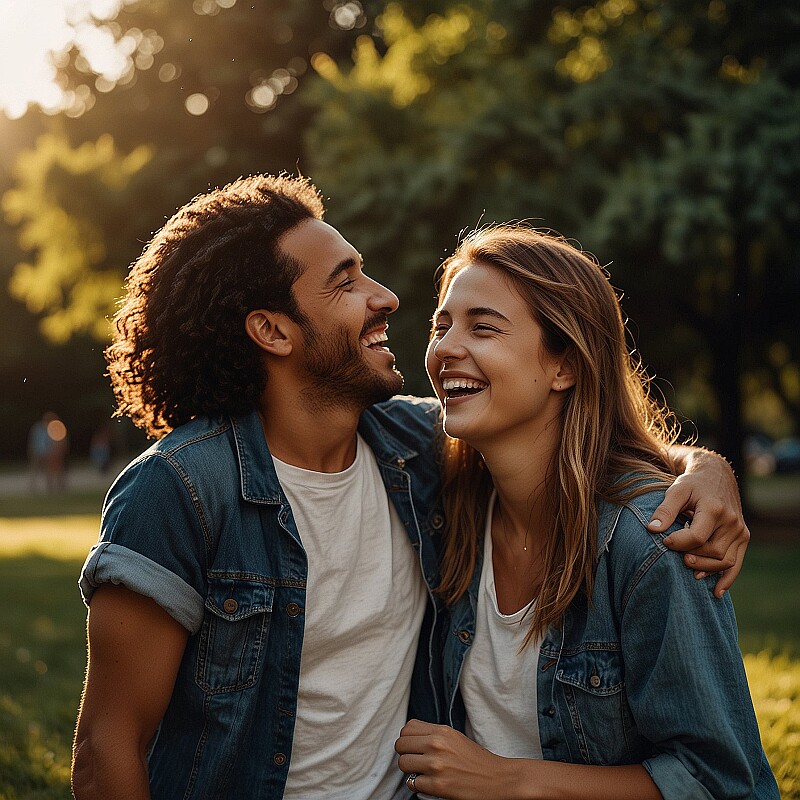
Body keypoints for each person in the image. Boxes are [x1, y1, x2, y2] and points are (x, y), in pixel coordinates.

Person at [71, 175, 749, 800]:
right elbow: (107, 749)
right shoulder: (183, 489)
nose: (388, 298)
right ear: (273, 330)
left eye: (482, 326)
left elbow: (577, 437)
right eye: (345, 282)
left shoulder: (415, 452)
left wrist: (702, 468)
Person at [395, 225, 778, 800]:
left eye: (484, 327)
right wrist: (705, 462)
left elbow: (715, 779)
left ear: (564, 367)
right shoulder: (444, 488)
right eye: (442, 324)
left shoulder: (651, 540)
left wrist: (507, 781)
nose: (445, 347)